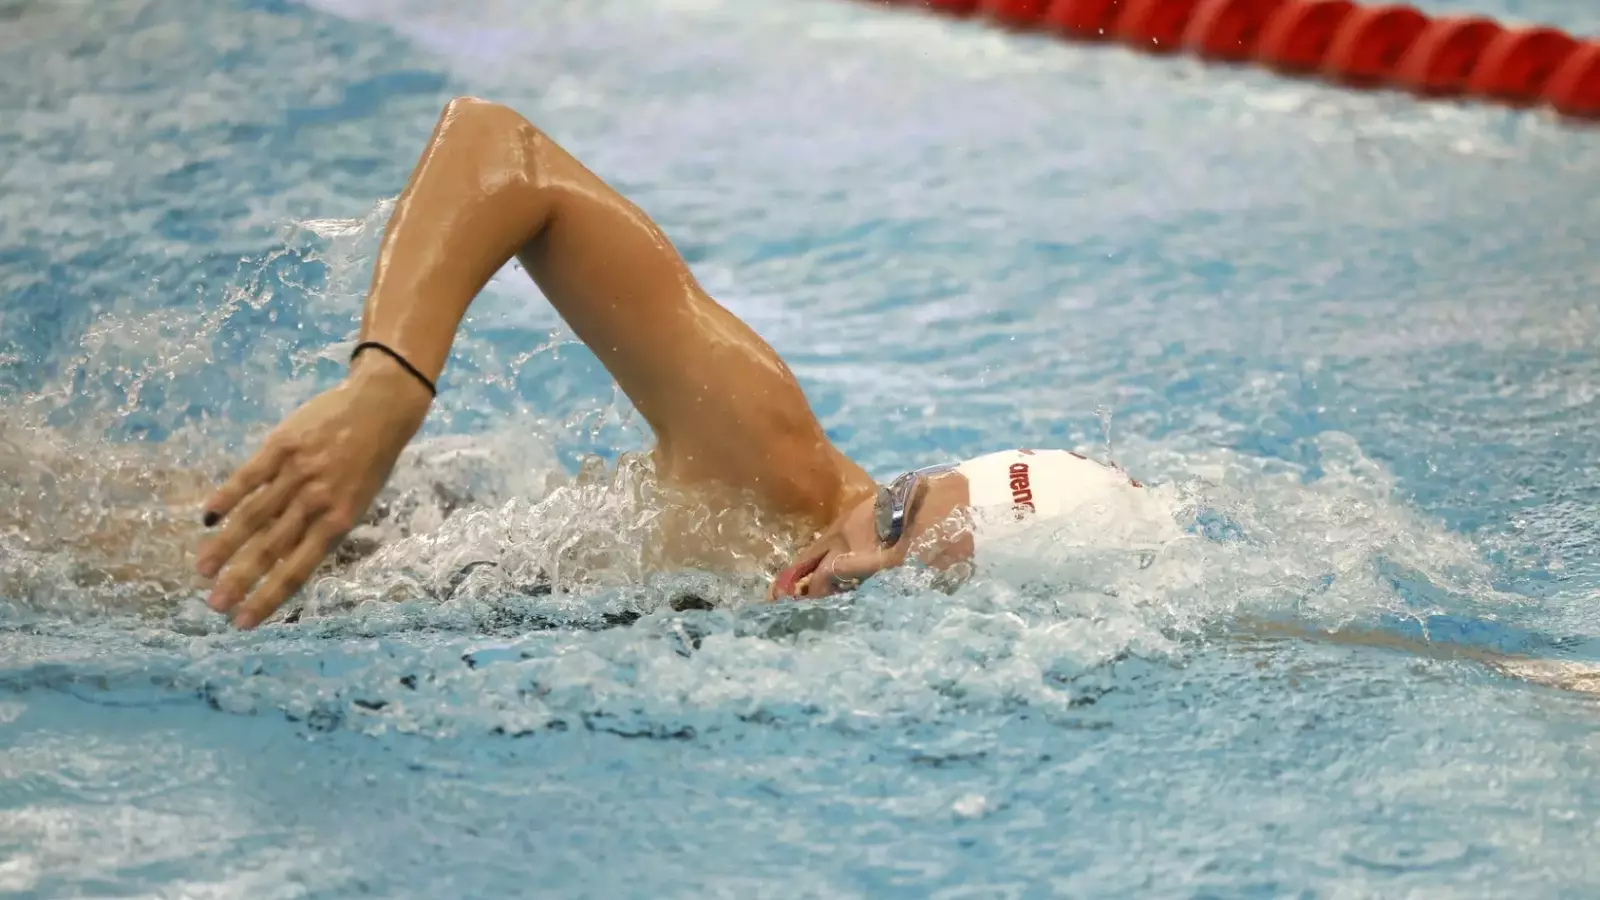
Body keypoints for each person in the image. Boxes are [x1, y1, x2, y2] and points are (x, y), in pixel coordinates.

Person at [193, 96, 1158, 630]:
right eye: (896, 512)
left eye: (905, 580)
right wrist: (386, 387)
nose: (852, 560)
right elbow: (503, 150)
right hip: (362, 531)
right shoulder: (774, 472)